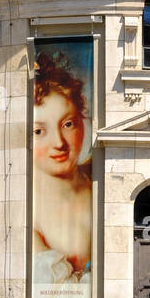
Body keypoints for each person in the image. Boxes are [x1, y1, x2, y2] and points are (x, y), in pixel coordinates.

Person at [31, 52, 93, 285]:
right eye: (39, 131)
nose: (59, 143)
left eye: (68, 124)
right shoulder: (26, 214)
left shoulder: (97, 175)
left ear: (81, 119)